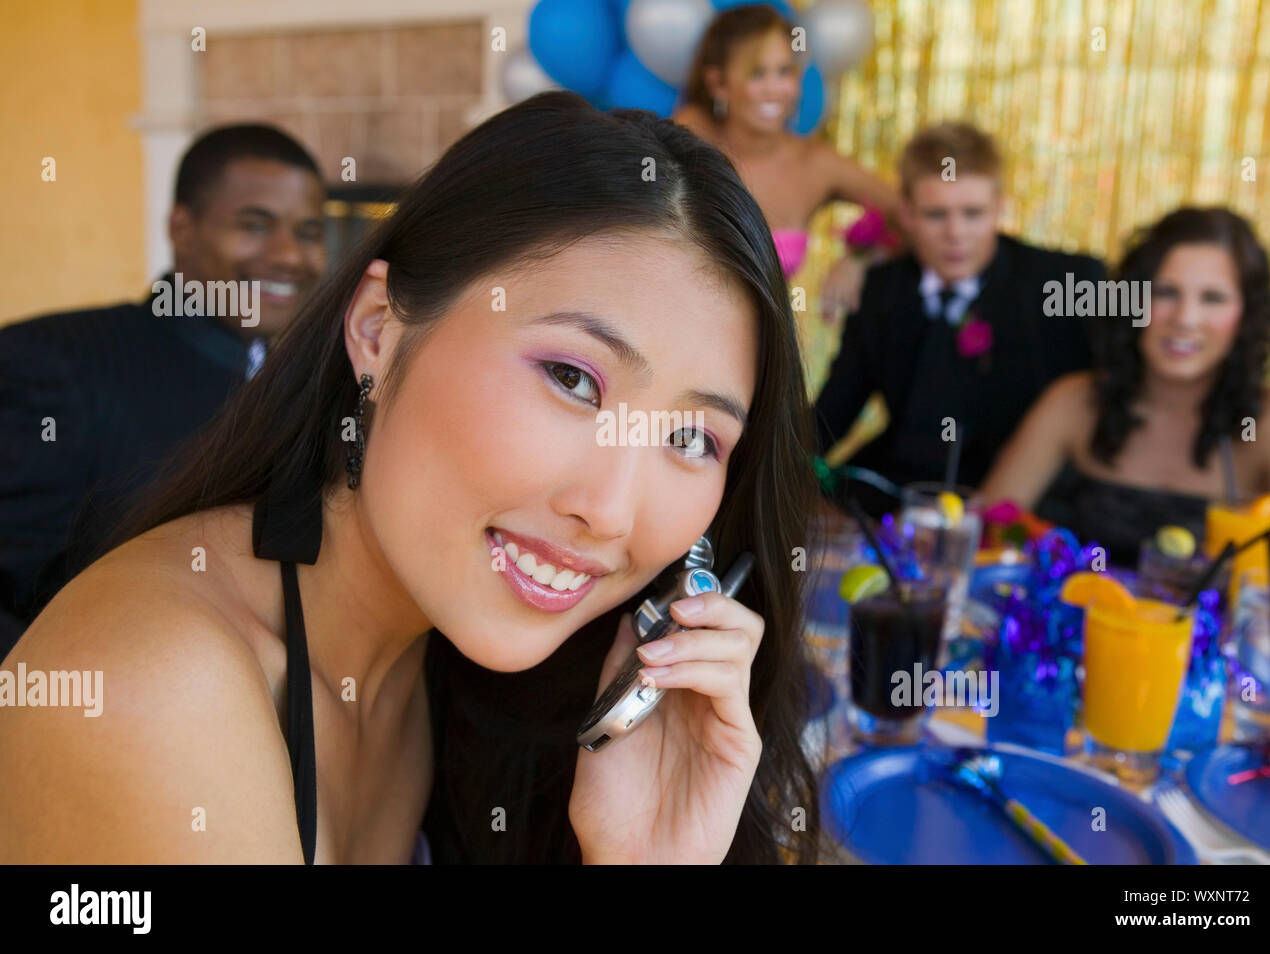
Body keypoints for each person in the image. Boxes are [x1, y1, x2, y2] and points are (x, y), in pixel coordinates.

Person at [0, 91, 824, 864]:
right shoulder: (155, 695)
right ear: (377, 329)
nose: (609, 514)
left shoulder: (453, 657)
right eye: (573, 379)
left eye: (689, 437)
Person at [0, 124, 327, 653]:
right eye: (255, 224)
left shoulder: (307, 382)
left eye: (309, 232)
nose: (290, 255)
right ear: (182, 229)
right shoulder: (55, 363)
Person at [981, 207, 1270, 567]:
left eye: (1213, 298)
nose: (1185, 318)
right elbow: (987, 523)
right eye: (1165, 293)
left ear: (1246, 317)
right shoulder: (1074, 401)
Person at [812, 121, 1104, 514]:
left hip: (1022, 503)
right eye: (936, 215)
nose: (956, 233)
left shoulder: (1065, 281)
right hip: (896, 493)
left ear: (1000, 208)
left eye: (973, 213)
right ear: (907, 213)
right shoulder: (882, 290)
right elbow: (833, 413)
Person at [672, 3, 900, 320]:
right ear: (718, 84)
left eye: (785, 72)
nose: (775, 90)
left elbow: (910, 213)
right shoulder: (692, 136)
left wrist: (860, 258)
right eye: (757, 73)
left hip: (771, 352)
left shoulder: (816, 162)